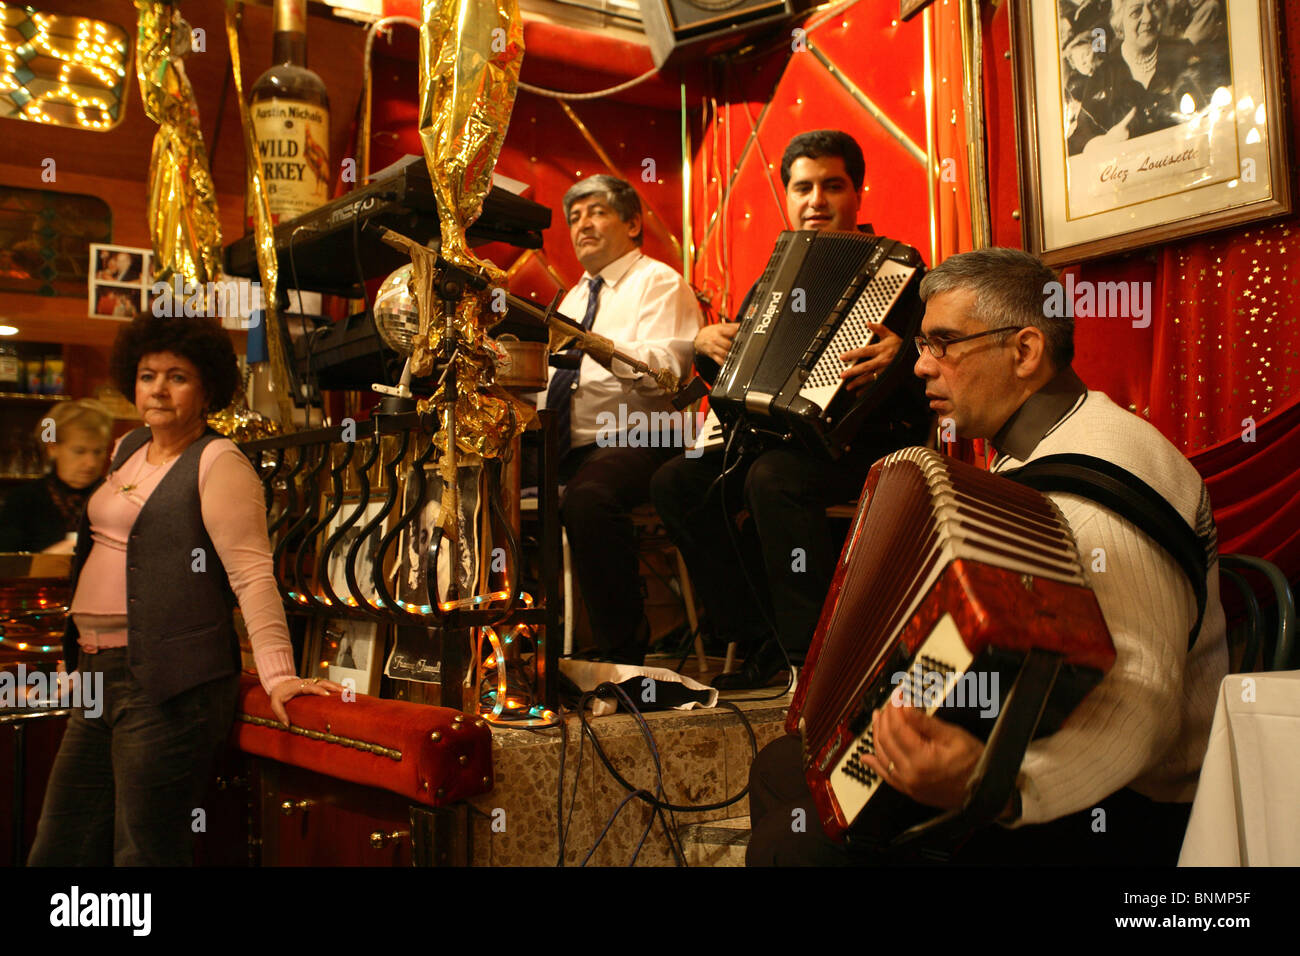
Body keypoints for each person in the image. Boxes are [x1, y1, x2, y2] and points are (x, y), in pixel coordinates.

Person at [746, 248, 1228, 865]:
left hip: (1120, 809)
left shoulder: (1102, 485)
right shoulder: (1033, 451)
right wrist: (908, 702)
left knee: (807, 839)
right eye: (922, 344)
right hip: (1034, 735)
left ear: (1025, 352)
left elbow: (1142, 701)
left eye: (943, 343)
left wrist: (994, 785)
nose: (920, 367)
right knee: (791, 766)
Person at [27, 313, 344, 867]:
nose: (159, 389)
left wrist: (278, 673)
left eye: (177, 376)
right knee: (62, 843)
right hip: (96, 676)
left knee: (144, 852)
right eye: (149, 375)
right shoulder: (127, 446)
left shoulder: (220, 461)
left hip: (170, 684)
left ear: (207, 388)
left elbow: (251, 575)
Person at [650, 130, 931, 691]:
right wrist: (708, 344)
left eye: (833, 185)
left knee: (773, 479)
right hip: (775, 441)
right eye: (803, 187)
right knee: (677, 482)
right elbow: (743, 369)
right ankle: (760, 641)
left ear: (858, 192)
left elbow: (940, 358)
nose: (816, 201)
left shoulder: (903, 271)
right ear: (787, 195)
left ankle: (815, 656)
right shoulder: (773, 278)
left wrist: (909, 352)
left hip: (867, 441)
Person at [539, 174, 702, 664]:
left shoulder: (658, 283)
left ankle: (622, 654)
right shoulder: (571, 299)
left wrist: (598, 347)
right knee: (485, 489)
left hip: (647, 437)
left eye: (596, 212)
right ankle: (528, 651)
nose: (582, 224)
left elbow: (665, 374)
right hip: (566, 443)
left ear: (633, 224)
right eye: (574, 217)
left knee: (588, 499)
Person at [0, 399, 112, 553]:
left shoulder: (115, 496)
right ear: (52, 448)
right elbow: (8, 567)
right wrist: (48, 558)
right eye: (79, 451)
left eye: (98, 452)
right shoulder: (23, 500)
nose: (91, 463)